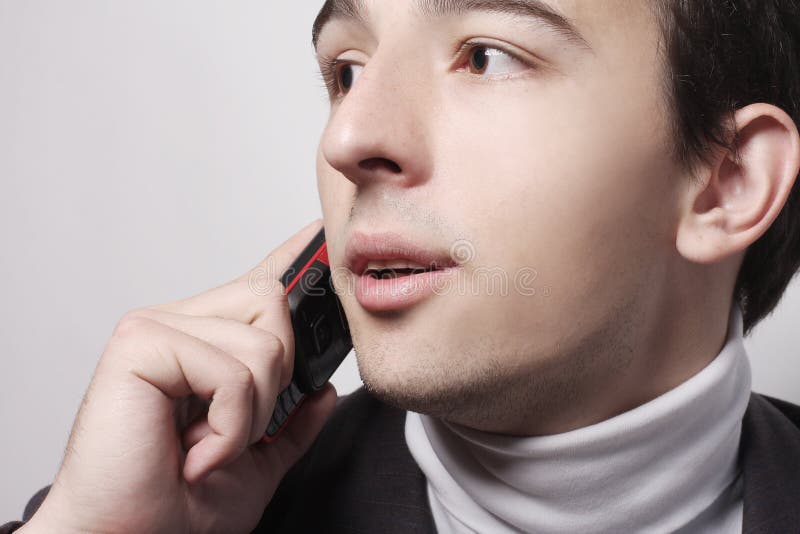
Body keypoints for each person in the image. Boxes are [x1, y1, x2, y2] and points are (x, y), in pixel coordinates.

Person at [4, 0, 800, 532]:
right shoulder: (168, 516)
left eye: (485, 56)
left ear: (728, 183)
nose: (348, 137)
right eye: (345, 71)